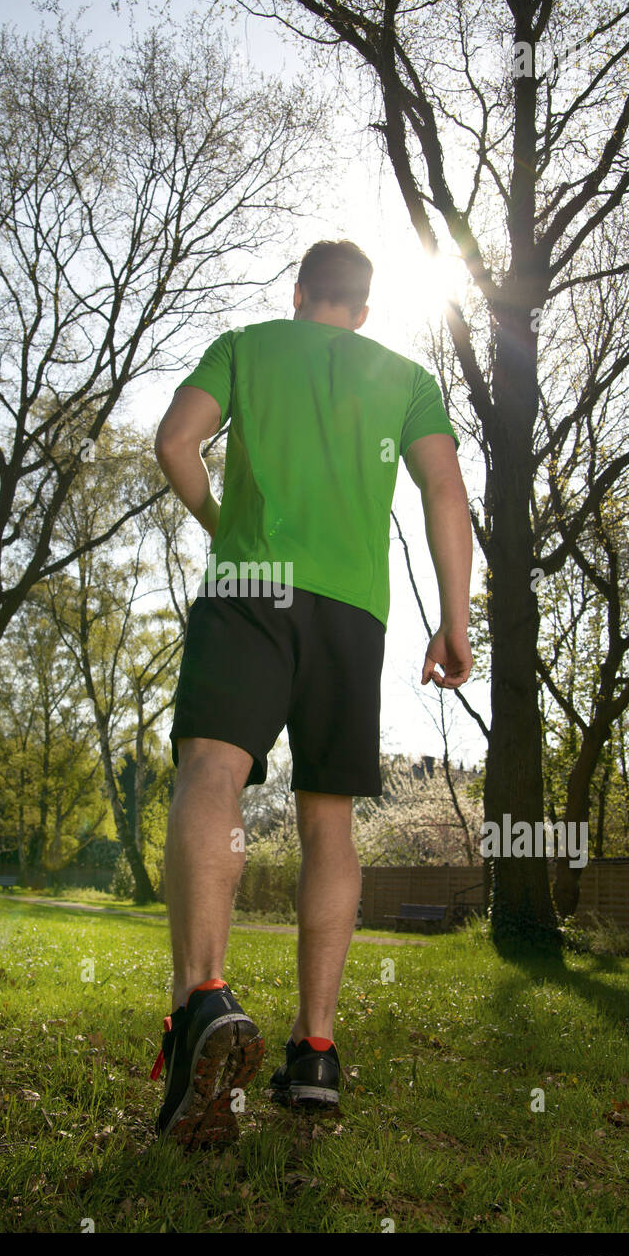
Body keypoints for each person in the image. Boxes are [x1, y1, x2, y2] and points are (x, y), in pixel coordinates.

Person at [150, 239, 472, 1148]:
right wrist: (455, 619)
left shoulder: (248, 344)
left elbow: (176, 444)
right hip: (352, 613)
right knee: (328, 817)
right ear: (363, 310)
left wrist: (223, 525)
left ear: (299, 296)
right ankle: (317, 1053)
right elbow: (445, 489)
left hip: (252, 584)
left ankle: (204, 997)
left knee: (213, 766)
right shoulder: (405, 377)